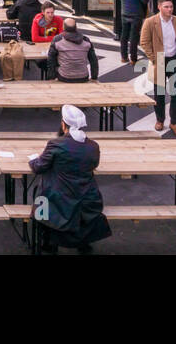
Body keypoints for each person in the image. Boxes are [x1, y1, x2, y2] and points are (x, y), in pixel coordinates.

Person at [28, 105, 112, 254]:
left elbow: (39, 168)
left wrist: (33, 160)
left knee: (41, 202)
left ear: (63, 124)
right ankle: (83, 244)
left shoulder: (55, 144)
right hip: (88, 200)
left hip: (58, 200)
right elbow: (94, 165)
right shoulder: (93, 147)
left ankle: (48, 243)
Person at [140, 0, 176, 137]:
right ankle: (160, 120)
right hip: (159, 61)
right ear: (159, 7)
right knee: (159, 94)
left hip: (175, 60)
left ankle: (175, 122)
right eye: (166, 7)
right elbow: (144, 42)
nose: (170, 9)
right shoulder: (150, 22)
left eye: (171, 7)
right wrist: (153, 58)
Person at [114, 0, 147, 64]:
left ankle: (123, 57)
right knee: (134, 36)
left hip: (124, 12)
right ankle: (133, 58)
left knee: (124, 34)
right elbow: (145, 0)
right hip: (137, 13)